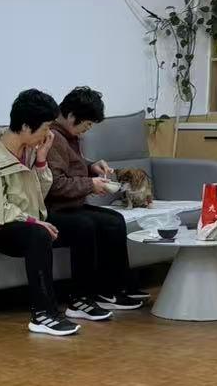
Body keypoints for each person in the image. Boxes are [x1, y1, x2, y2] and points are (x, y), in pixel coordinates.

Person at [0, 89, 77, 336]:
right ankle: (43, 314)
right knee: (38, 235)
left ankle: (82, 301)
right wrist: (33, 221)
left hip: (24, 217)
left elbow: (39, 195)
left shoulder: (30, 149)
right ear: (26, 126)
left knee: (86, 224)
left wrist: (41, 160)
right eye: (45, 128)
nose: (49, 135)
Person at [44, 85, 148, 321]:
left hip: (68, 205)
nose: (86, 131)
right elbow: (54, 184)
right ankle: (81, 298)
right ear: (71, 116)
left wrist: (91, 166)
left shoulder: (68, 135)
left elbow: (71, 165)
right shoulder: (53, 137)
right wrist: (91, 185)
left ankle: (112, 289)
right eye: (87, 125)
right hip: (53, 208)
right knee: (86, 226)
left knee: (114, 220)